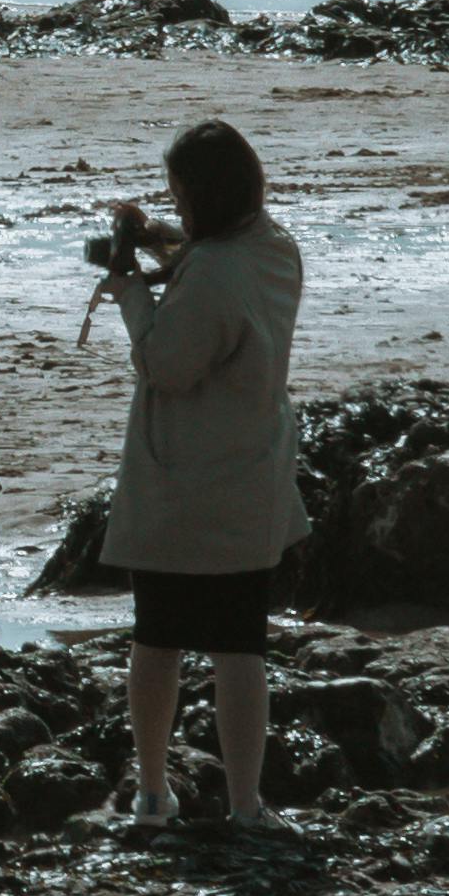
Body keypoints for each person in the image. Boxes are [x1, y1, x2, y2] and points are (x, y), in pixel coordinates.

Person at [95, 120, 305, 832]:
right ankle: (247, 804)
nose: (176, 206)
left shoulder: (213, 272)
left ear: (205, 195)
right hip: (252, 477)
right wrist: (159, 236)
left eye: (180, 196)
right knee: (240, 646)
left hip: (181, 483)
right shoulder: (275, 248)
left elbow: (166, 365)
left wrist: (130, 293)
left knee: (158, 640)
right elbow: (214, 258)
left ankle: (153, 793)